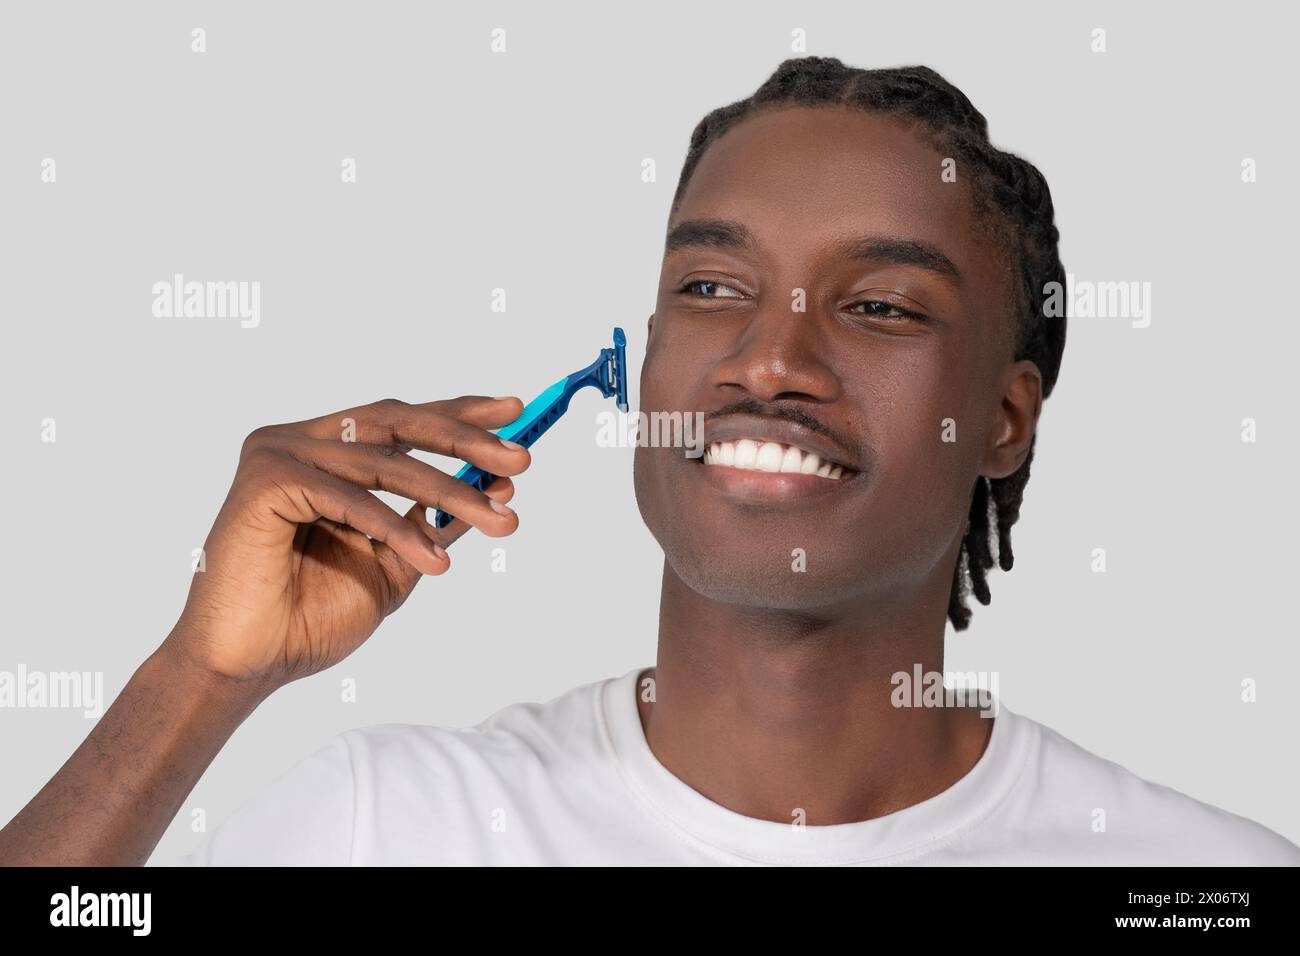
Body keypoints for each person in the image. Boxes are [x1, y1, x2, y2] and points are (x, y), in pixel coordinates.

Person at [1, 57, 1295, 866]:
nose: (770, 358)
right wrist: (199, 680)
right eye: (715, 285)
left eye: (880, 305)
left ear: (1008, 418)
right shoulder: (390, 829)